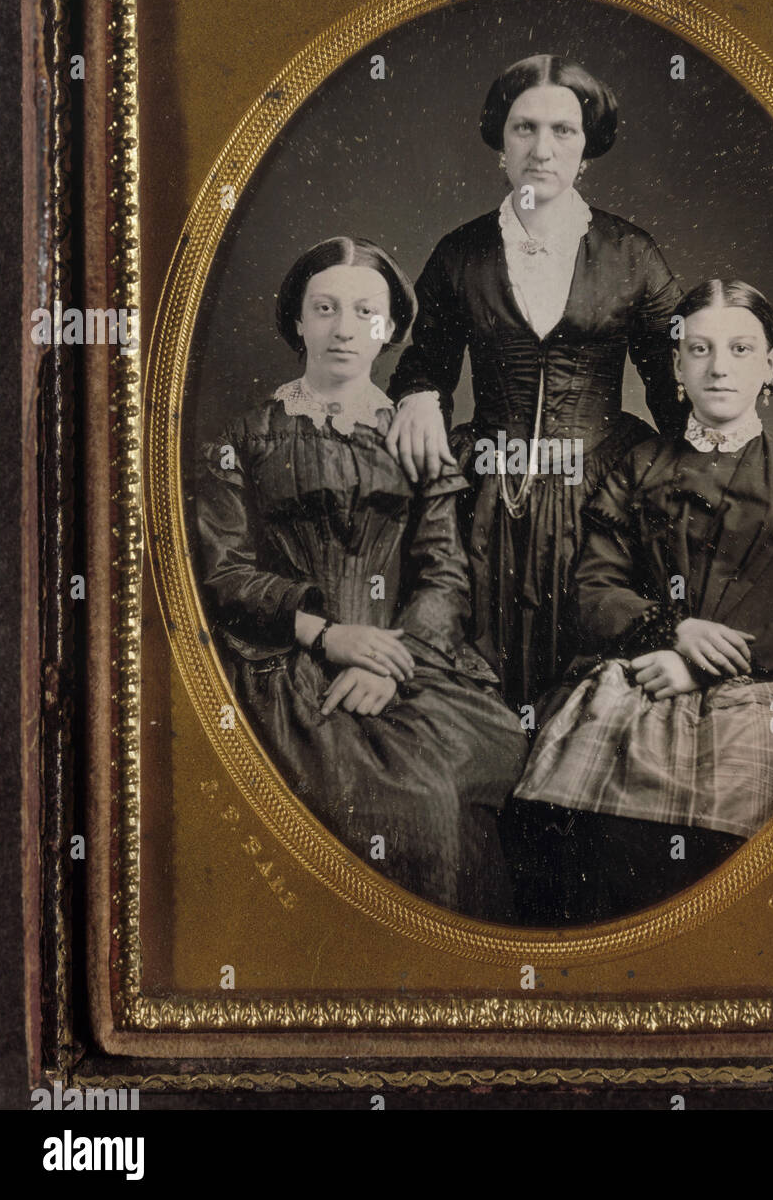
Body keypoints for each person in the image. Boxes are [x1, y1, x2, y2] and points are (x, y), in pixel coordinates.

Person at [512, 279, 773, 924]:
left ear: (770, 366)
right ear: (676, 364)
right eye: (698, 349)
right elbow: (592, 592)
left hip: (755, 690)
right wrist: (674, 632)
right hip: (640, 671)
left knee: (717, 866)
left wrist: (704, 661)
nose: (719, 367)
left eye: (740, 348)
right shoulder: (638, 468)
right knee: (569, 839)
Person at [194, 236, 529, 922]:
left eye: (365, 313)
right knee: (398, 800)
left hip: (406, 662)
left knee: (463, 777)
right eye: (325, 308)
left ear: (391, 329)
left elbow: (443, 572)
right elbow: (222, 571)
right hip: (286, 664)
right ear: (297, 321)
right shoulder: (251, 436)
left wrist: (391, 661)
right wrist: (325, 634)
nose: (344, 329)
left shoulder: (413, 441)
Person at [385, 54, 686, 707]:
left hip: (605, 485)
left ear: (586, 149)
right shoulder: (460, 252)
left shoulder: (631, 252)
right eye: (524, 129)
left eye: (562, 132)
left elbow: (673, 380)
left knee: (593, 683)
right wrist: (414, 395)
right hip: (491, 484)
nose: (541, 149)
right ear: (500, 141)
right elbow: (425, 358)